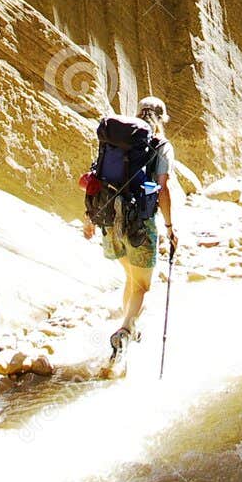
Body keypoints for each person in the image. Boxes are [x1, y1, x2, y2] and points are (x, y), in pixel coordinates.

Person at [84, 95, 177, 363]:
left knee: (130, 277)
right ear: (163, 118)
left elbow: (95, 177)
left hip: (109, 222)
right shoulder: (161, 145)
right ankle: (124, 332)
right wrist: (170, 229)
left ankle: (130, 324)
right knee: (143, 286)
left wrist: (89, 218)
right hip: (138, 226)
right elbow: (163, 190)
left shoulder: (116, 141)